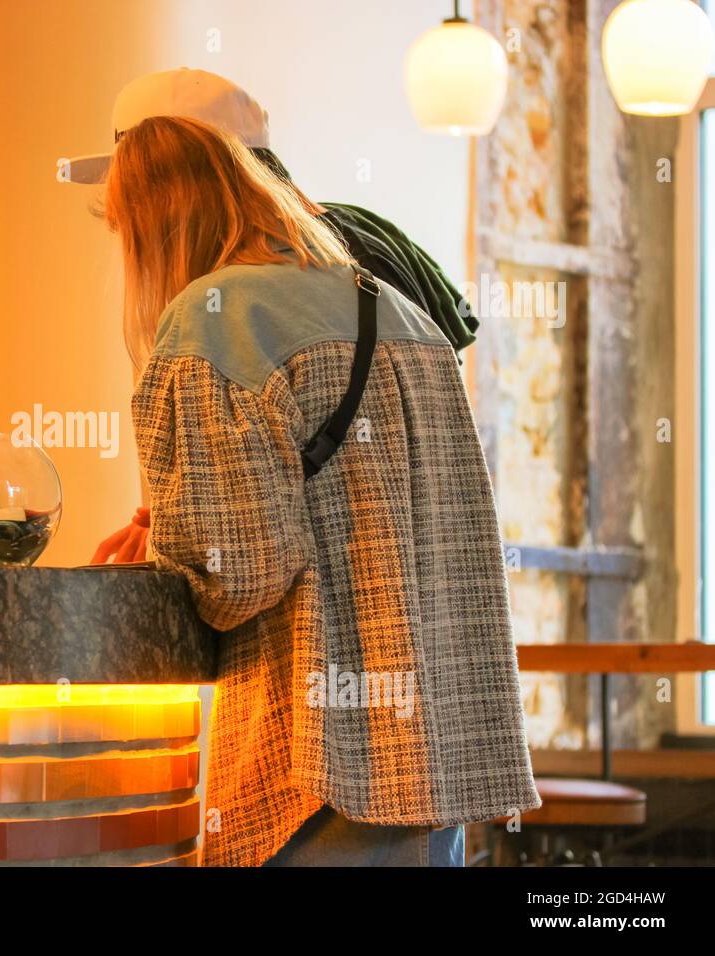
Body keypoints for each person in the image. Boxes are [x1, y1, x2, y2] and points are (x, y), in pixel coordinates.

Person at [96, 113, 539, 865]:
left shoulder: (215, 324)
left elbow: (240, 571)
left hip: (320, 768)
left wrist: (162, 552)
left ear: (151, 224)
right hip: (440, 763)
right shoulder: (397, 308)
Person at [69, 68, 477, 563]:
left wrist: (178, 552)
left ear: (164, 203)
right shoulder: (377, 289)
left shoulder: (219, 321)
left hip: (316, 637)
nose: (123, 235)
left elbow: (241, 571)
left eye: (126, 215)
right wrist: (164, 520)